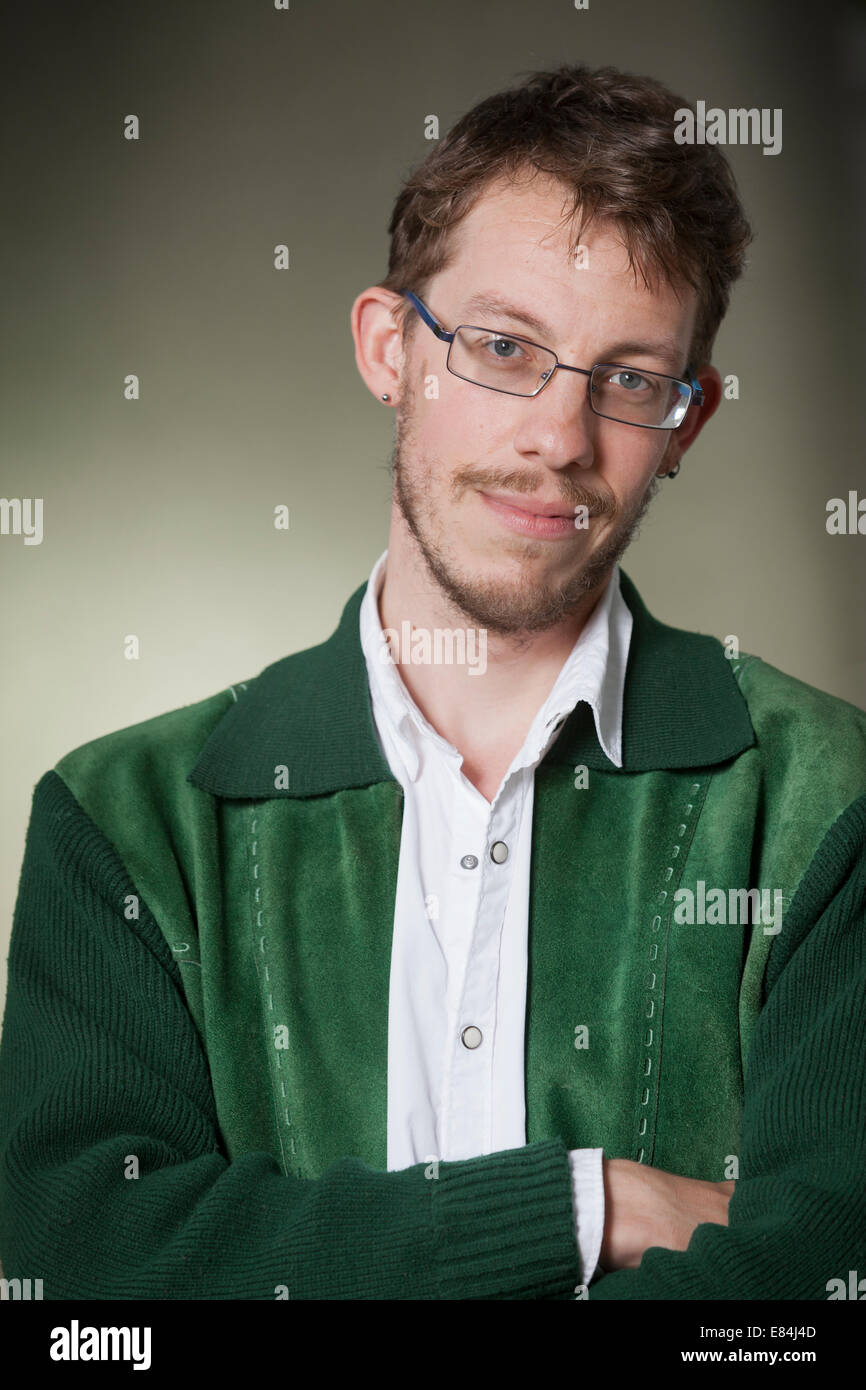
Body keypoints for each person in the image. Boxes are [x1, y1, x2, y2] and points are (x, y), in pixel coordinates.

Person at [1, 63, 864, 1302]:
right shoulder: (121, 820)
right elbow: (81, 1282)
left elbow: (817, 1300)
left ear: (687, 421)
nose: (557, 439)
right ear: (388, 347)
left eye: (626, 379)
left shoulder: (830, 802)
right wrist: (577, 1205)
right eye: (504, 347)